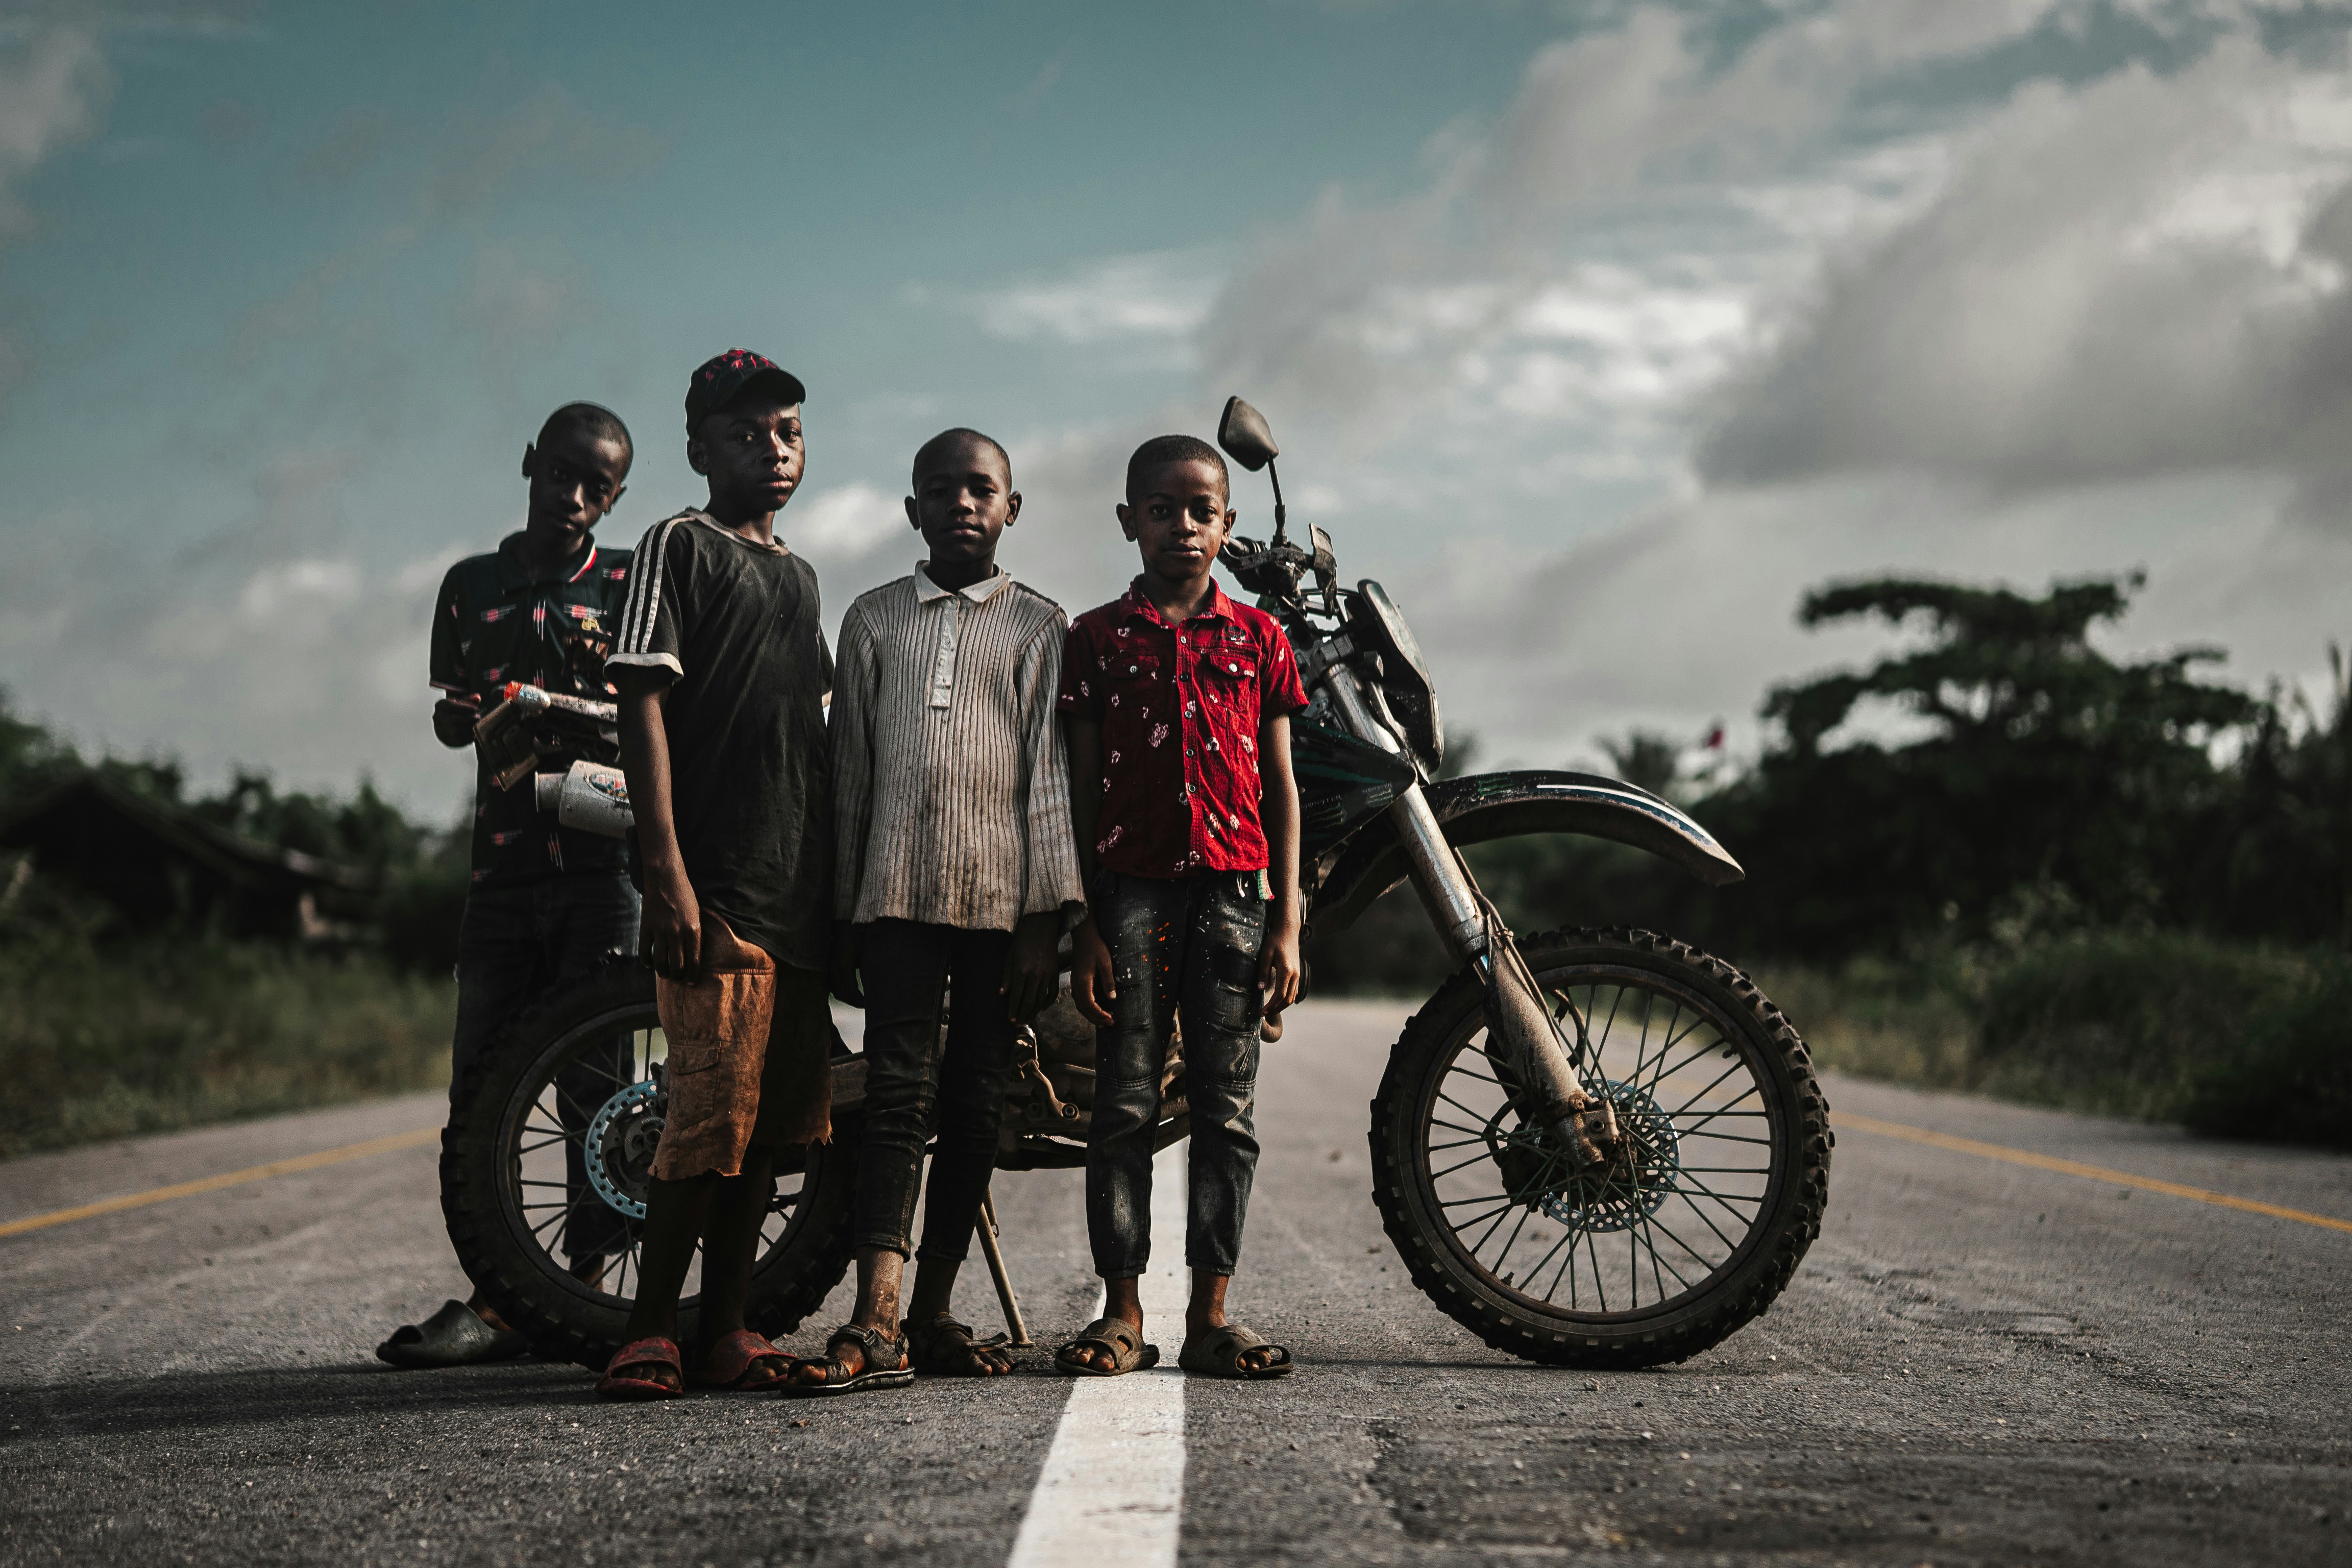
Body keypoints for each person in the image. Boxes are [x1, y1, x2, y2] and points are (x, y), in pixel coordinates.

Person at [790, 429, 1082, 1394]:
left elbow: (1050, 775)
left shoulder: (1042, 626)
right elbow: (852, 776)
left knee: (975, 1104)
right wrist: (844, 913)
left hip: (1005, 909)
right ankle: (875, 1311)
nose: (961, 503)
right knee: (899, 1095)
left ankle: (933, 1310)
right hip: (899, 896)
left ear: (1011, 509)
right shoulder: (874, 622)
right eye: (940, 490)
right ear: (912, 510)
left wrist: (1048, 917)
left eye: (981, 489)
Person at [592, 350, 838, 1399]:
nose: (770, 450)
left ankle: (730, 1329)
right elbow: (641, 703)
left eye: (786, 431)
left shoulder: (800, 576)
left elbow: (812, 734)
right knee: (703, 1114)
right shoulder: (674, 548)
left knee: (772, 1123)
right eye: (745, 435)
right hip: (718, 879)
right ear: (698, 449)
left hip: (798, 887)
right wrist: (666, 872)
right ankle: (651, 1329)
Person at [377, 402, 638, 1369]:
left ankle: (588, 1296)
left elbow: (650, 715)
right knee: (481, 1087)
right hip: (502, 869)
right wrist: (467, 718)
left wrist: (577, 704)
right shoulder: (469, 586)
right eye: (560, 473)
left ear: (615, 498)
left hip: (605, 865)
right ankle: (500, 1295)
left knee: (599, 1096)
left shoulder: (626, 582)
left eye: (595, 485)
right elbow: (452, 719)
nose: (572, 497)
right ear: (529, 463)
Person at [1052, 433, 1306, 1380]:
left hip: (1238, 896)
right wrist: (1085, 917)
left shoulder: (1259, 639)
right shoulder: (1097, 639)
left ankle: (1210, 1314)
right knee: (1122, 1105)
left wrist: (1287, 921)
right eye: (1162, 510)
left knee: (1225, 1111)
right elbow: (1078, 792)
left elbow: (1282, 788)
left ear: (1229, 526)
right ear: (1130, 523)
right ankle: (1122, 1311)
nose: (1184, 526)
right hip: (1131, 897)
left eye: (1202, 511)